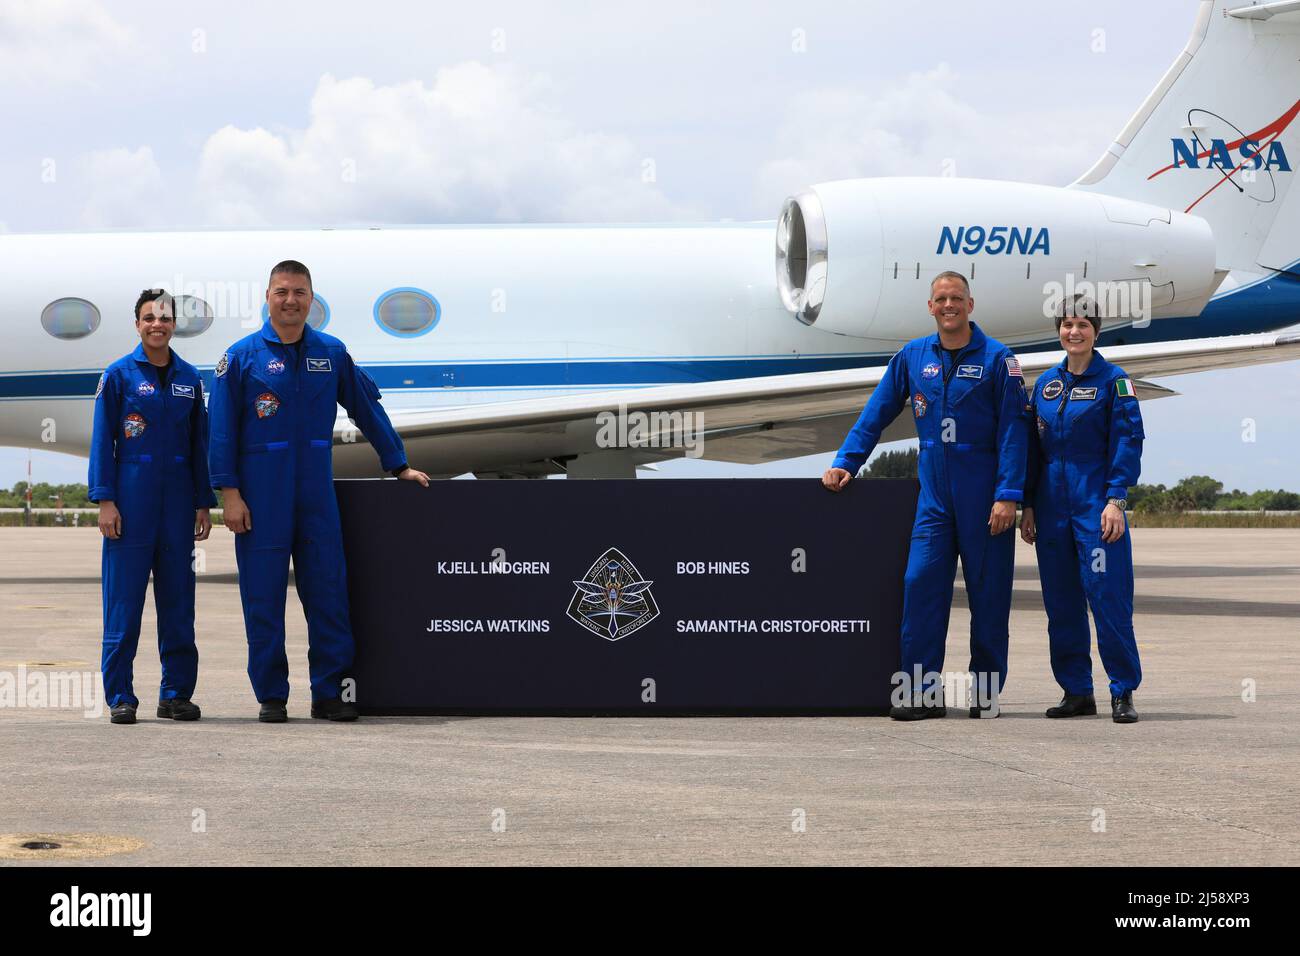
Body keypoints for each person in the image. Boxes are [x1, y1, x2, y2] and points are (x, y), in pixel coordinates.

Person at [208, 260, 429, 723]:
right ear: (267, 297)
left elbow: (368, 411)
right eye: (282, 291)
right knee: (263, 598)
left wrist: (399, 466)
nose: (291, 300)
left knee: (328, 593)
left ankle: (330, 692)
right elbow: (222, 432)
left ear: (312, 299)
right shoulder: (240, 357)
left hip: (315, 495)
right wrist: (229, 493)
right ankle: (272, 695)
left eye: (300, 293)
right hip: (260, 497)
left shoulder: (331, 353)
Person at [822, 272, 1029, 720]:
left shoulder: (999, 359)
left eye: (957, 298)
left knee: (988, 599)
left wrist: (1009, 494)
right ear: (930, 306)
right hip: (935, 500)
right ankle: (920, 693)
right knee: (920, 588)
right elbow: (877, 411)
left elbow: (1015, 431)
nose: (949, 305)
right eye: (941, 299)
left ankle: (984, 695)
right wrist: (846, 461)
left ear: (971, 305)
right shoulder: (912, 357)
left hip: (985, 497)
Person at [88, 290, 215, 725]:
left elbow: (200, 445)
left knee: (179, 603)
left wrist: (203, 502)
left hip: (179, 503)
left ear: (173, 324)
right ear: (137, 324)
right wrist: (105, 501)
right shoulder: (118, 376)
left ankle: (176, 693)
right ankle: (121, 695)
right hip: (131, 500)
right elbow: (103, 441)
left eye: (163, 318)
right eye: (148, 318)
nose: (156, 325)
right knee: (123, 605)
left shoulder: (190, 378)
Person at [1021, 298, 1143, 723]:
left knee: (1108, 601)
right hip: (1052, 510)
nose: (1074, 332)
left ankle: (1122, 691)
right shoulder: (1045, 385)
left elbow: (1128, 442)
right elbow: (1033, 453)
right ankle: (1076, 691)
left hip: (1096, 507)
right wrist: (1029, 505)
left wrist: (1115, 500)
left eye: (1083, 325)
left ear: (1096, 331)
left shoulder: (1115, 382)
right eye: (1067, 324)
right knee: (1061, 605)